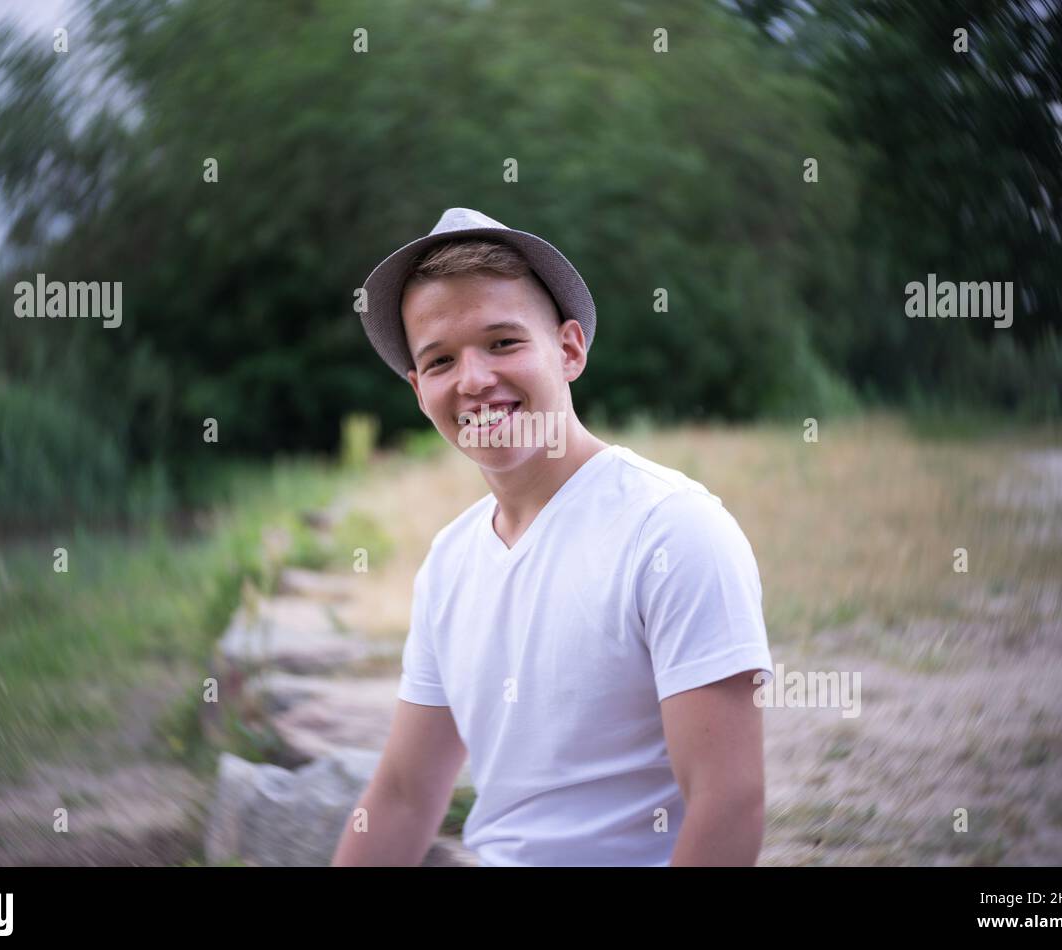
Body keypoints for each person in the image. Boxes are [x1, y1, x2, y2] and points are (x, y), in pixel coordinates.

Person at [331, 207, 773, 866]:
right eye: (442, 360)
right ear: (419, 389)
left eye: (503, 342)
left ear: (568, 350)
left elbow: (728, 799)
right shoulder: (450, 562)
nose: (475, 380)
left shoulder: (671, 530)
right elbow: (400, 794)